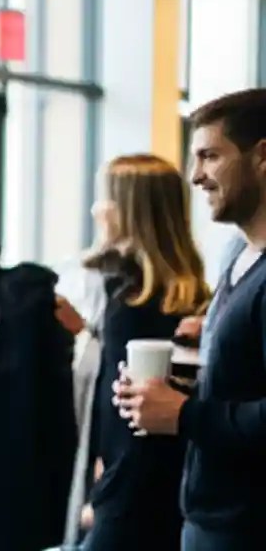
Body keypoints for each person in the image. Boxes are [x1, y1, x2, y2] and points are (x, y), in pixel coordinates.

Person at [116, 88, 266, 550]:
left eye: (210, 156)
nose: (196, 176)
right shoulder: (236, 254)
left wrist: (183, 414)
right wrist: (176, 389)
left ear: (262, 157)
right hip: (208, 519)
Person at [77, 155, 211, 551]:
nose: (97, 210)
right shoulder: (195, 301)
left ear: (130, 214)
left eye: (107, 199)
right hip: (176, 496)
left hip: (132, 503)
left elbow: (129, 426)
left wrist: (102, 497)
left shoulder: (132, 306)